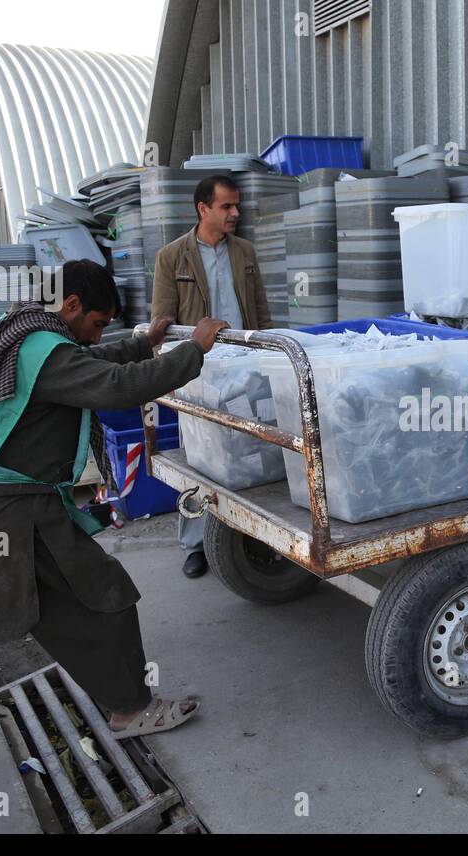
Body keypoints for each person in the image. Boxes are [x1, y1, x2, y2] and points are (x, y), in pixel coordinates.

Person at [0, 260, 229, 805]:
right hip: (11, 513)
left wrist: (141, 341)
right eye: (96, 321)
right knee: (104, 597)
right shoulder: (43, 349)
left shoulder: (19, 332)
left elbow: (87, 361)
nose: (96, 333)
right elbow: (113, 386)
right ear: (70, 307)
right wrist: (194, 349)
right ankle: (131, 708)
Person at [150, 174, 272, 578]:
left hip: (245, 368)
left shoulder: (245, 252)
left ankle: (250, 537)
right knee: (201, 459)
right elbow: (162, 325)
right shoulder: (172, 257)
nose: (236, 213)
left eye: (236, 206)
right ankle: (196, 544)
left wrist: (272, 357)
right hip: (200, 371)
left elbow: (261, 312)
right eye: (227, 207)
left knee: (251, 450)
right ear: (203, 209)